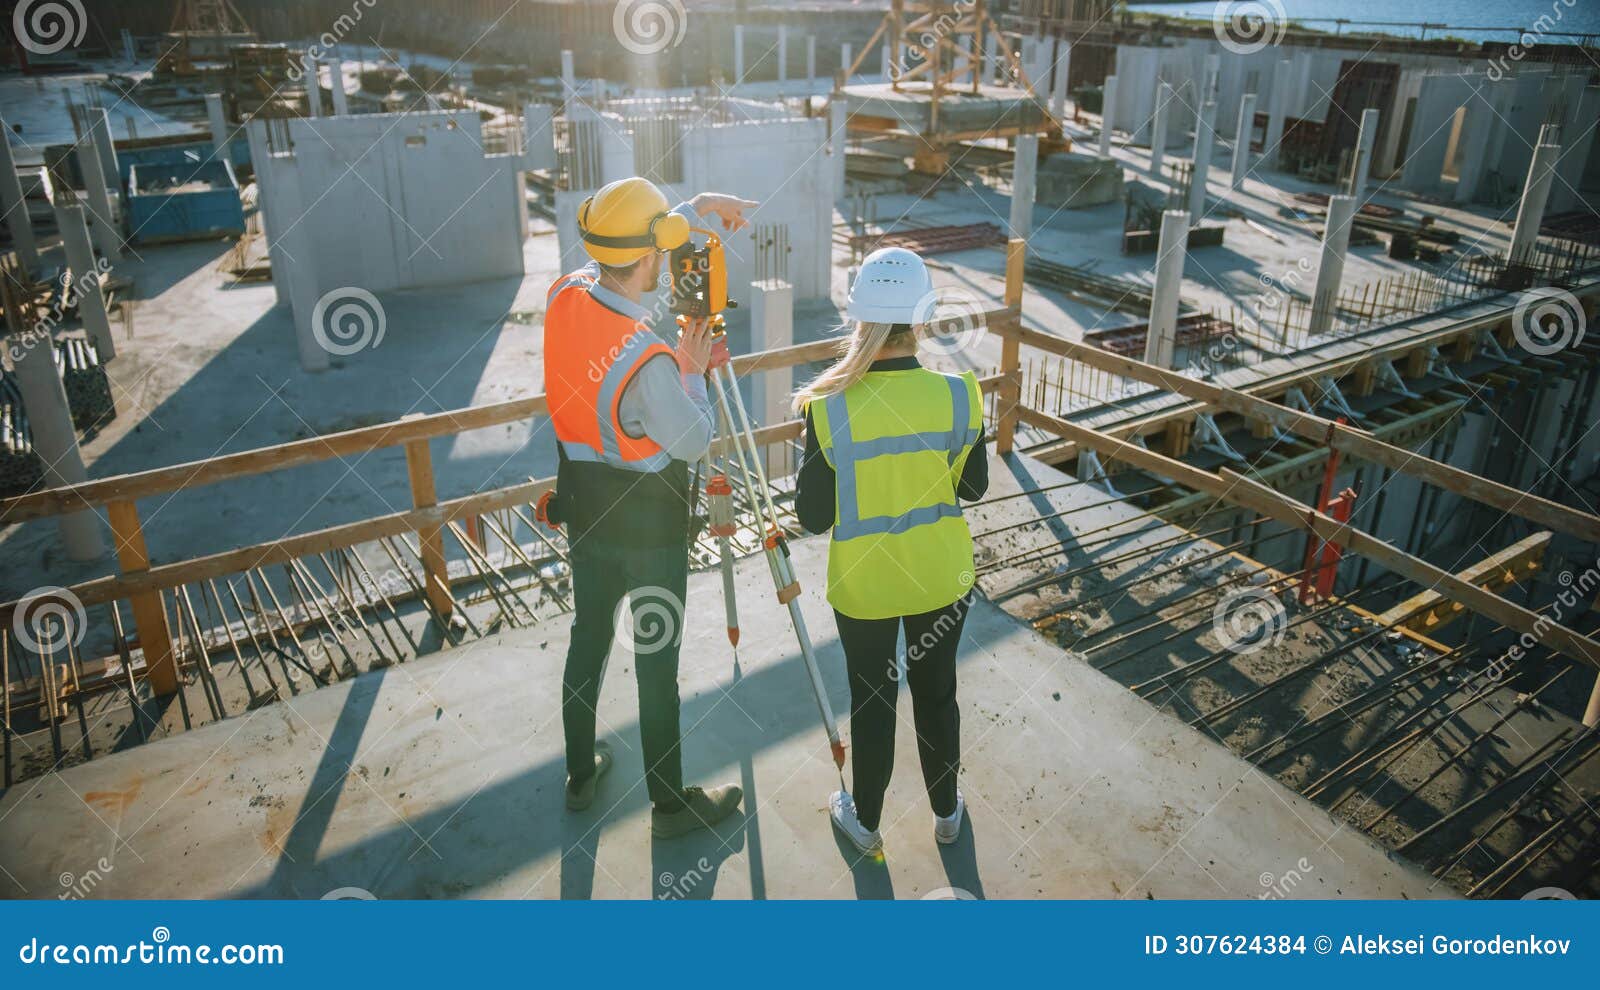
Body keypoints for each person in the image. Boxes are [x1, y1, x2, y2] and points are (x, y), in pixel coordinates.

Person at [542, 176, 757, 838]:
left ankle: (581, 771)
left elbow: (618, 249)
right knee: (655, 662)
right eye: (662, 247)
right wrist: (693, 370)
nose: (668, 260)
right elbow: (694, 440)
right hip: (649, 531)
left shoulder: (563, 295)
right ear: (650, 260)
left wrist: (694, 212)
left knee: (589, 639)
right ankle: (669, 805)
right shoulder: (648, 358)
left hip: (585, 513)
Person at [791, 247, 987, 855]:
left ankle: (867, 822)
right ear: (922, 320)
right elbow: (974, 488)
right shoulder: (960, 394)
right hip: (941, 577)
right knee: (937, 694)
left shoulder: (827, 408)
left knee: (873, 703)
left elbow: (814, 517)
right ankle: (947, 813)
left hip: (866, 585)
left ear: (859, 321)